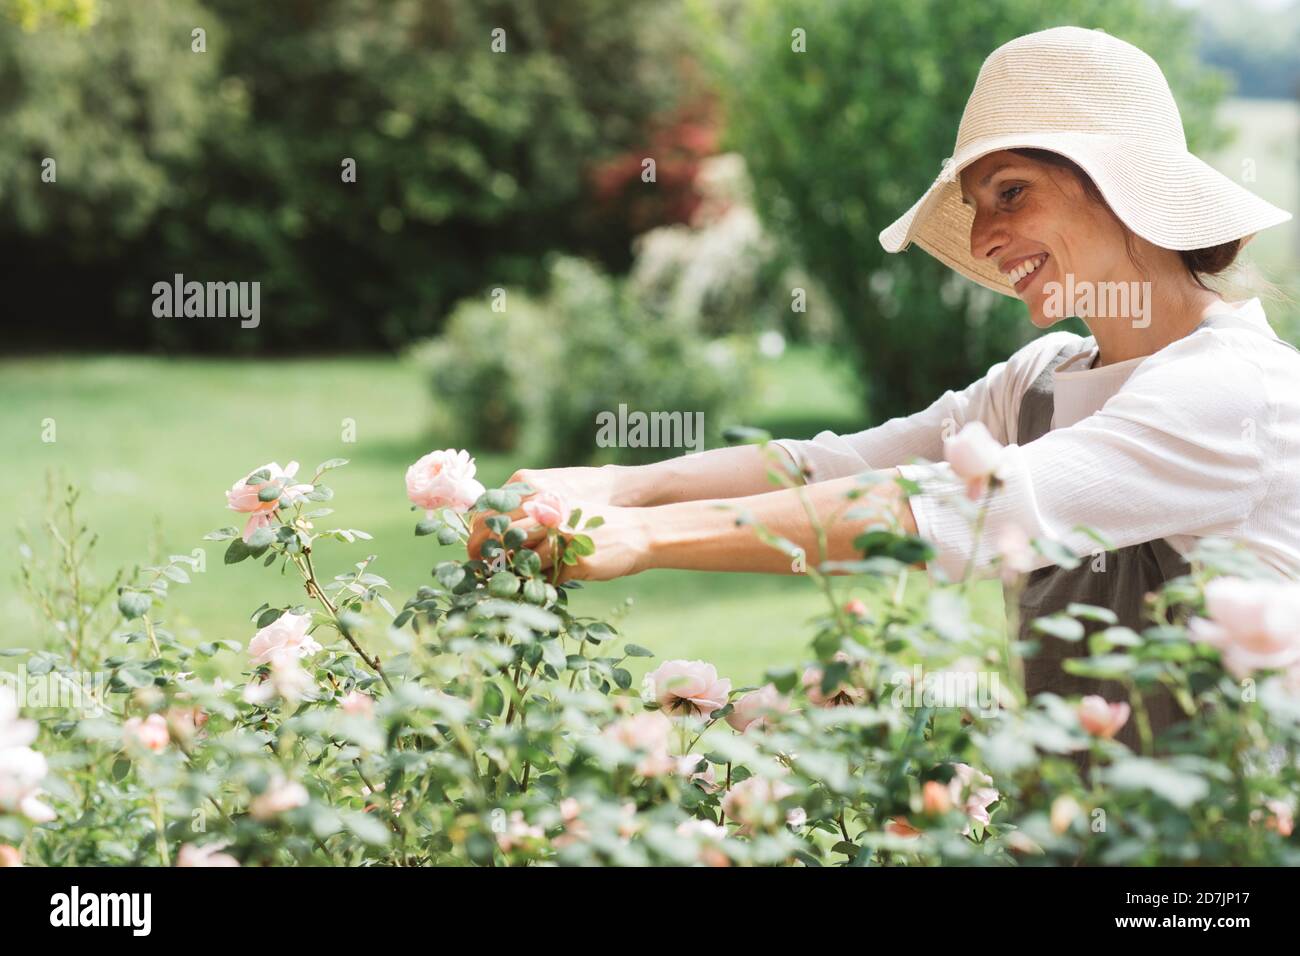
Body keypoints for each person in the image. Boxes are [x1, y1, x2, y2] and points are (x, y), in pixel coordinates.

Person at [469, 27, 1299, 746]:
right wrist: (623, 483)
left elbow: (945, 509)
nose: (983, 235)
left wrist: (643, 539)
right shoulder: (1039, 387)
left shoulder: (1233, 392)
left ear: (1119, 186)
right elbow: (834, 469)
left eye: (1011, 192)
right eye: (977, 204)